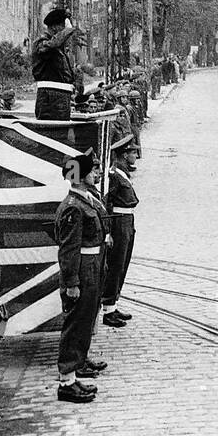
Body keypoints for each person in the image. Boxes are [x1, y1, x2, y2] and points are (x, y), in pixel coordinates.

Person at [54, 149, 110, 404]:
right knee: (76, 321)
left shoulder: (86, 199)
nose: (97, 173)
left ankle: (80, 362)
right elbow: (68, 249)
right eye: (92, 170)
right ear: (80, 176)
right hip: (82, 269)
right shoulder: (73, 207)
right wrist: (71, 283)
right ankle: (67, 382)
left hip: (93, 265)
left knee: (87, 316)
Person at [101, 135, 139, 329]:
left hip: (127, 220)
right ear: (124, 155)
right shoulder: (114, 174)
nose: (136, 155)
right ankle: (108, 310)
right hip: (118, 222)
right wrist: (108, 231)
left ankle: (113, 305)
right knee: (115, 265)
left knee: (122, 264)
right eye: (133, 152)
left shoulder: (122, 173)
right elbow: (107, 203)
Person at [31, 4, 82, 121]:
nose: (65, 32)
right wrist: (68, 30)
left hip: (60, 96)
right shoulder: (42, 42)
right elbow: (52, 44)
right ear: (55, 27)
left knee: (61, 134)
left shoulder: (59, 47)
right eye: (63, 27)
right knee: (50, 134)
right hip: (49, 97)